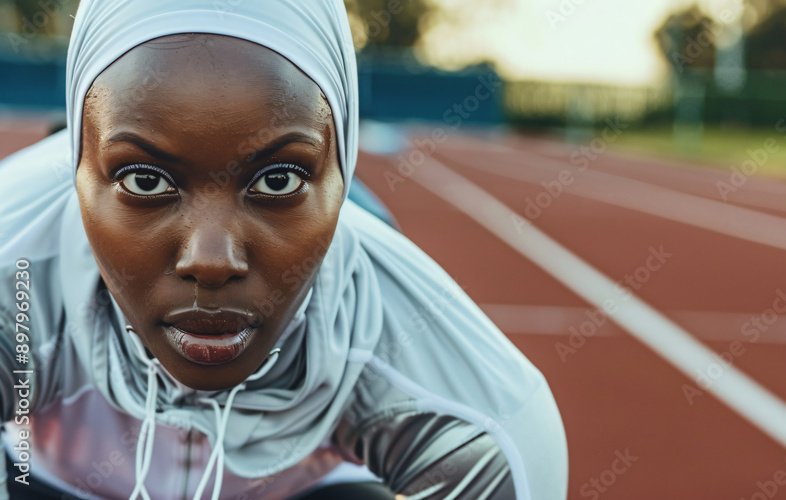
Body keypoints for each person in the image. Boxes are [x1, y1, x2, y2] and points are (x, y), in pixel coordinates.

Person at [0, 1, 568, 499]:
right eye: (145, 181)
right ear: (74, 172)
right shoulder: (15, 280)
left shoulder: (483, 424)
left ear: (342, 179)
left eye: (278, 180)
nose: (211, 261)